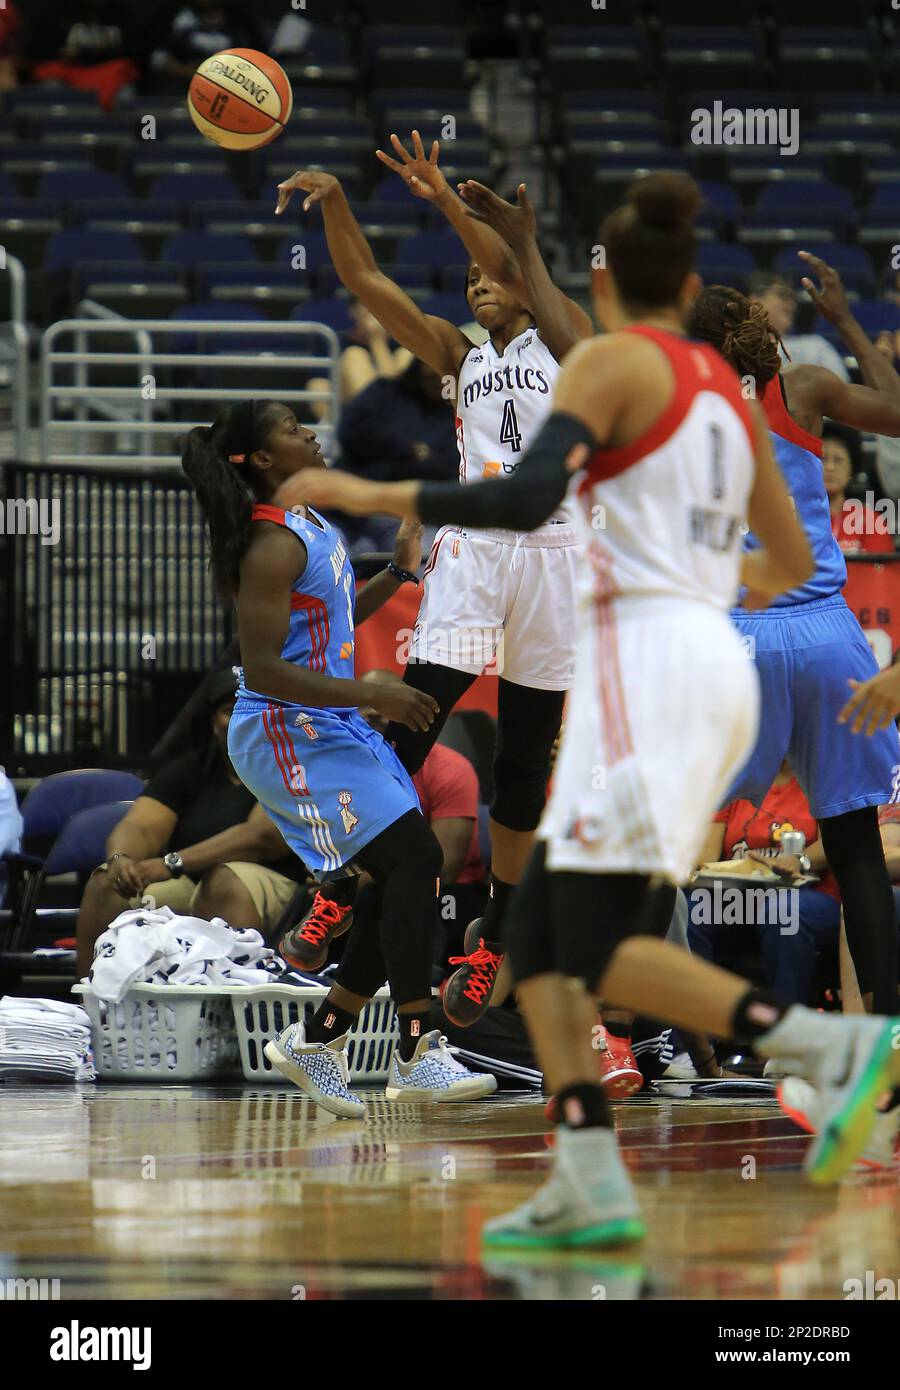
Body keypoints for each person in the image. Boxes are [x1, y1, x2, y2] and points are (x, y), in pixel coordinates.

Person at [276, 173, 900, 1247]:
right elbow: (792, 558)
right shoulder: (736, 402)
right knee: (545, 932)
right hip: (721, 663)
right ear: (696, 283)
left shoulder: (616, 367)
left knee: (573, 931)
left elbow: (520, 501)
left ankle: (816, 1048)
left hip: (657, 675)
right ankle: (599, 1167)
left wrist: (378, 496)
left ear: (613, 294)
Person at [274, 136, 594, 1029]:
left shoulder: (568, 343)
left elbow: (507, 256)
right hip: (477, 547)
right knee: (408, 727)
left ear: (523, 281)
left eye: (490, 278)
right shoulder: (461, 357)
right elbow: (370, 284)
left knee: (527, 767)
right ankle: (341, 886)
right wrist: (341, 200)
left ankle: (491, 939)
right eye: (468, 283)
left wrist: (456, 205)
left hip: (561, 551)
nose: (476, 286)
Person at [181, 398, 495, 1117]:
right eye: (292, 430)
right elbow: (262, 669)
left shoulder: (310, 524)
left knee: (405, 870)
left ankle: (322, 1042)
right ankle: (414, 1052)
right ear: (262, 462)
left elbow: (326, 628)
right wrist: (374, 695)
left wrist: (399, 573)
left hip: (328, 721)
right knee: (413, 861)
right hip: (287, 731)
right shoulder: (269, 545)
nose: (311, 434)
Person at [687, 255, 900, 1031]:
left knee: (668, 840)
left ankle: (627, 1032)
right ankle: (890, 1041)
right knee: (855, 848)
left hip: (734, 638)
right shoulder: (802, 389)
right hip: (825, 633)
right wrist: (845, 322)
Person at [74, 669, 306, 976]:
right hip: (191, 880)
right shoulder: (190, 769)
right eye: (228, 709)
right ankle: (92, 1009)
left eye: (251, 709)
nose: (240, 717)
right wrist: (121, 859)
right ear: (213, 723)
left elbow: (260, 838)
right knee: (107, 883)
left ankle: (233, 1010)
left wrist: (172, 863)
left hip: (274, 880)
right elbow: (141, 826)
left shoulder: (289, 764)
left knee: (224, 883)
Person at [283, 668, 487, 976]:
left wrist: (347, 879)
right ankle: (297, 981)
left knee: (399, 896)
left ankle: (407, 999)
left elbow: (444, 864)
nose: (372, 727)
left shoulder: (451, 769)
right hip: (343, 878)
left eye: (381, 717)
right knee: (313, 899)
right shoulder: (338, 765)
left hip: (444, 893)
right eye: (363, 718)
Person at [689, 759, 842, 1006]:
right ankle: (694, 1035)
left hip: (808, 895)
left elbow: (834, 843)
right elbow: (707, 854)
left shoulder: (820, 778)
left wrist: (798, 860)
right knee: (695, 908)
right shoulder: (735, 780)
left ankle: (785, 1030)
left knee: (783, 912)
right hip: (743, 900)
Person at [331, 358, 458, 553]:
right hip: (349, 510)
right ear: (419, 365)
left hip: (412, 518)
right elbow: (350, 432)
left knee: (429, 556)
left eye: (446, 374)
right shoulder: (385, 391)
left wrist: (383, 452)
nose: (439, 379)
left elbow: (449, 468)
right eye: (432, 369)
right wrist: (410, 450)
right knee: (327, 555)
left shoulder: (459, 413)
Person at [748, 271, 850, 381]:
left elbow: (843, 389)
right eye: (783, 295)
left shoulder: (815, 346)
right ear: (755, 300)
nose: (791, 304)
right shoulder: (735, 347)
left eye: (793, 298)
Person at [823, 421, 894, 556]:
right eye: (823, 459)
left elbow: (879, 571)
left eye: (838, 460)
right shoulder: (797, 516)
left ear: (851, 469)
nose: (830, 467)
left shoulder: (868, 519)